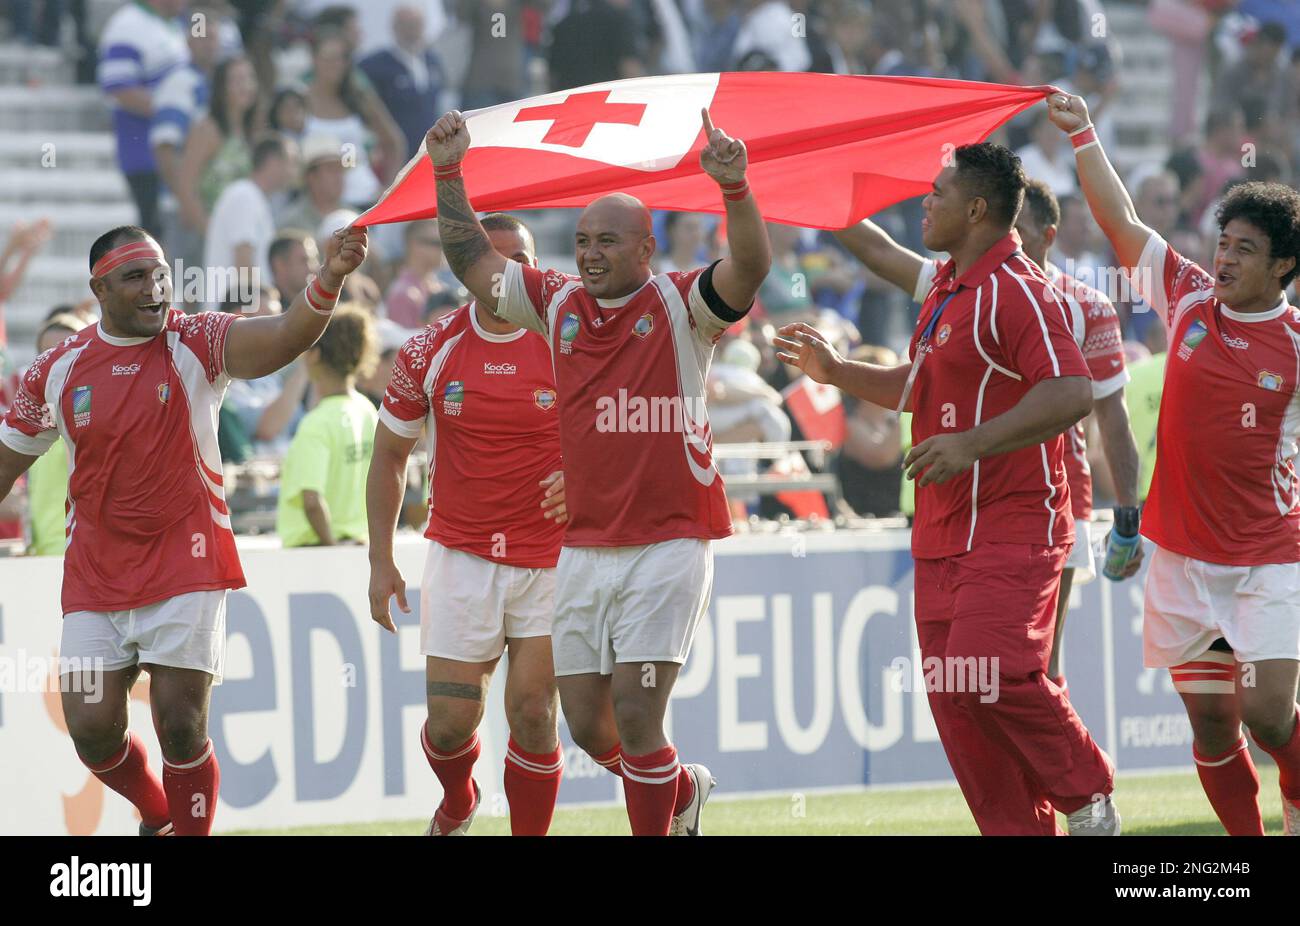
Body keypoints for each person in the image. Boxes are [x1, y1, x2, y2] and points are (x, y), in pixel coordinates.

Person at [425, 107, 771, 835]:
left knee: (640, 714)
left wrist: (735, 190)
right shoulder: (556, 306)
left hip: (668, 542)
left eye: (606, 241)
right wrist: (449, 172)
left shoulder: (682, 305)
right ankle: (681, 795)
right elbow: (471, 260)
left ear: (647, 247)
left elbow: (750, 266)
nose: (589, 254)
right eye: (581, 241)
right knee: (587, 725)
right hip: (581, 551)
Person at [780, 142, 1118, 836]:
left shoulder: (1019, 290)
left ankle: (1089, 795)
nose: (924, 204)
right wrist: (838, 369)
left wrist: (970, 443)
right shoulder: (948, 287)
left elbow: (1072, 390)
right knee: (959, 700)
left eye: (936, 194)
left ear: (975, 209)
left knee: (996, 668)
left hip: (1015, 521)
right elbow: (923, 386)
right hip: (941, 526)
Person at [0, 222, 368, 835]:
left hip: (185, 560)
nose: (155, 289)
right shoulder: (57, 369)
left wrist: (328, 278)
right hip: (96, 572)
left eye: (161, 275)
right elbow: (6, 462)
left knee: (179, 723)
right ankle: (158, 814)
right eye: (135, 278)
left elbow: (283, 337)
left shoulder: (197, 339)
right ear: (100, 289)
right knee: (90, 730)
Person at [1049, 90, 1300, 836]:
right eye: (1223, 243)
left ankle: (1293, 789)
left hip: (1268, 558)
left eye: (1245, 250)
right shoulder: (1189, 299)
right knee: (1215, 728)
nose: (1223, 258)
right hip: (1183, 559)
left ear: (1283, 265)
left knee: (1266, 714)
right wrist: (1084, 134)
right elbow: (1123, 225)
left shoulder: (1294, 344)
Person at [368, 213, 571, 835]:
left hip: (553, 560)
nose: (508, 275)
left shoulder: (573, 339)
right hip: (461, 556)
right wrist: (381, 559)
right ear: (467, 270)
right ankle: (459, 800)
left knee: (533, 713)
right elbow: (389, 456)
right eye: (495, 261)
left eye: (521, 262)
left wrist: (588, 477)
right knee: (451, 726)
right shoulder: (431, 348)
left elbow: (629, 419)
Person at [277, 305, 378, 547]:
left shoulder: (317, 423)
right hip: (358, 545)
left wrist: (332, 550)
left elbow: (311, 500)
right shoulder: (367, 410)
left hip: (316, 553)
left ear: (314, 355)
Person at [97, 0, 189, 237]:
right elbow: (119, 88)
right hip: (144, 150)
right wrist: (176, 113)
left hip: (176, 147)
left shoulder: (173, 23)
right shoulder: (127, 25)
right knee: (156, 229)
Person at [150, 5, 224, 275]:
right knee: (190, 284)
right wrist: (184, 199)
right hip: (184, 207)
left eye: (213, 36)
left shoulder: (211, 82)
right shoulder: (180, 82)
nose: (209, 44)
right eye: (202, 36)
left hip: (204, 202)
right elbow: (165, 148)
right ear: (188, 39)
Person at [304, 30, 405, 209]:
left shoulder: (359, 96)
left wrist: (389, 188)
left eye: (341, 58)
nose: (335, 64)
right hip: (320, 202)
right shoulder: (301, 100)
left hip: (365, 196)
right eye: (328, 57)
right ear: (314, 59)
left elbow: (394, 142)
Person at [203, 135, 299, 308]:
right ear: (273, 161)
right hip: (235, 315)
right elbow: (243, 260)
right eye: (292, 162)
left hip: (241, 312)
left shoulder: (253, 197)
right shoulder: (244, 196)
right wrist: (257, 309)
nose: (295, 172)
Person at [174, 55, 261, 239]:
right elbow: (185, 187)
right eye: (237, 80)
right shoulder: (207, 130)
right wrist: (211, 233)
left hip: (239, 236)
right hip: (203, 237)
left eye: (250, 78)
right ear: (221, 88)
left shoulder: (249, 132)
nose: (246, 86)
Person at [24, 313, 90, 556]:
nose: (57, 365)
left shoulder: (89, 410)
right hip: (43, 554)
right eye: (48, 355)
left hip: (81, 556)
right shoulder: (38, 418)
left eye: (68, 353)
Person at [358, 5, 445, 160]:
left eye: (417, 25)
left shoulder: (433, 61)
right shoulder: (373, 65)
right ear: (395, 27)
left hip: (429, 150)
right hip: (393, 152)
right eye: (407, 25)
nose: (412, 31)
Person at [384, 221, 455, 328]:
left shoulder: (437, 286)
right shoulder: (403, 294)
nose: (443, 249)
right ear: (414, 245)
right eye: (437, 243)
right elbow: (403, 343)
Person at [268, 230, 321, 302]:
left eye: (315, 260)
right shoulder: (266, 308)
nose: (315, 268)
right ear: (280, 265)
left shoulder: (321, 305)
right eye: (304, 260)